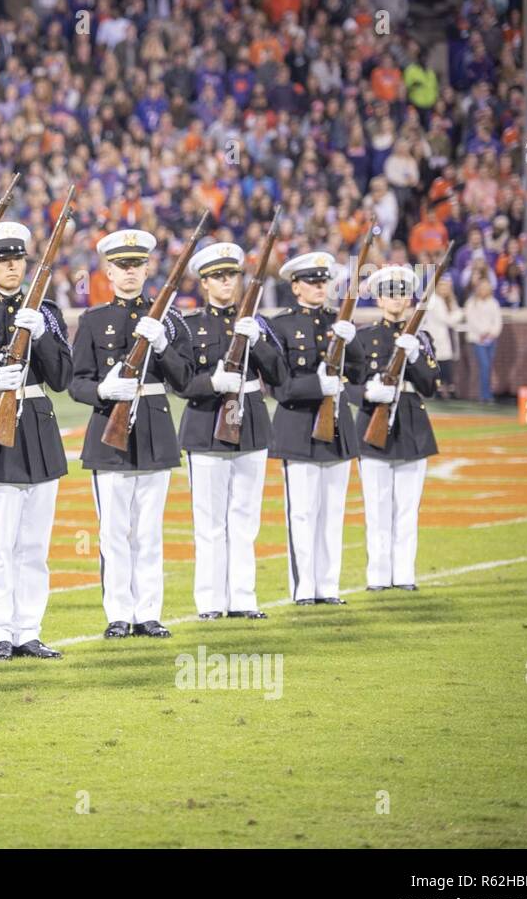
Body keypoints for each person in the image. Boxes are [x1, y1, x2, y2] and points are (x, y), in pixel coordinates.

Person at [69, 229, 190, 639]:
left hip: (154, 429)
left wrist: (162, 347)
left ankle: (149, 611)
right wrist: (103, 390)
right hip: (110, 430)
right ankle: (119, 612)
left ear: (148, 268)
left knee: (149, 531)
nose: (130, 273)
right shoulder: (93, 319)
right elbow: (75, 382)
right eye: (122, 266)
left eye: (136, 265)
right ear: (108, 270)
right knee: (113, 531)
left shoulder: (169, 320)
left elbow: (185, 381)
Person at [0, 221, 73, 659]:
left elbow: (62, 378)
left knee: (34, 544)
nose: (12, 267)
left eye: (18, 260)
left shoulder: (44, 310)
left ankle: (28, 628)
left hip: (38, 427)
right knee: (0, 543)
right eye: (2, 260)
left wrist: (44, 334)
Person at [176, 241, 287, 619]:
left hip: (251, 422)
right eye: (219, 277)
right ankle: (209, 602)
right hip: (207, 424)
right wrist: (212, 382)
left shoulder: (257, 324)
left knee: (244, 520)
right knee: (208, 523)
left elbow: (279, 376)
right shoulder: (190, 326)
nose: (227, 282)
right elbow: (181, 382)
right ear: (204, 283)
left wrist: (257, 342)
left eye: (232, 275)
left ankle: (243, 598)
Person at [267, 251, 367, 606]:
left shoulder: (337, 322)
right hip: (298, 427)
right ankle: (304, 588)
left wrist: (351, 339)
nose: (319, 287)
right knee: (303, 513)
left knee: (333, 513)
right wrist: (315, 387)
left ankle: (329, 586)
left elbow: (360, 372)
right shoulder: (280, 326)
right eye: (312, 282)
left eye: (323, 281)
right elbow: (278, 386)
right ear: (295, 286)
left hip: (336, 427)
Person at [356, 265, 441, 590]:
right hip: (374, 422)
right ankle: (377, 575)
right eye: (391, 294)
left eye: (403, 294)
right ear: (379, 299)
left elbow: (431, 385)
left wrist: (417, 354)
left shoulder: (422, 337)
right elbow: (349, 383)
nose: (397, 300)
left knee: (407, 509)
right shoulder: (364, 338)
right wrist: (367, 392)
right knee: (377, 508)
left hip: (411, 425)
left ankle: (404, 574)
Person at [420, 272, 464, 399]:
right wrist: (459, 314)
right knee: (439, 366)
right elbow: (447, 319)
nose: (444, 288)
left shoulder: (448, 300)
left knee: (446, 366)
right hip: (436, 339)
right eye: (441, 285)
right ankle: (439, 391)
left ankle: (448, 390)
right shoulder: (434, 300)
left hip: (445, 339)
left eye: (446, 286)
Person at [463, 276, 502, 403]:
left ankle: (486, 393)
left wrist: (492, 333)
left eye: (486, 288)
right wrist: (483, 332)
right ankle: (484, 395)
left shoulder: (493, 303)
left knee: (488, 366)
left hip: (491, 339)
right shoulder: (471, 303)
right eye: (482, 288)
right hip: (478, 339)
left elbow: (497, 320)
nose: (484, 290)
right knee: (484, 365)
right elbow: (472, 320)